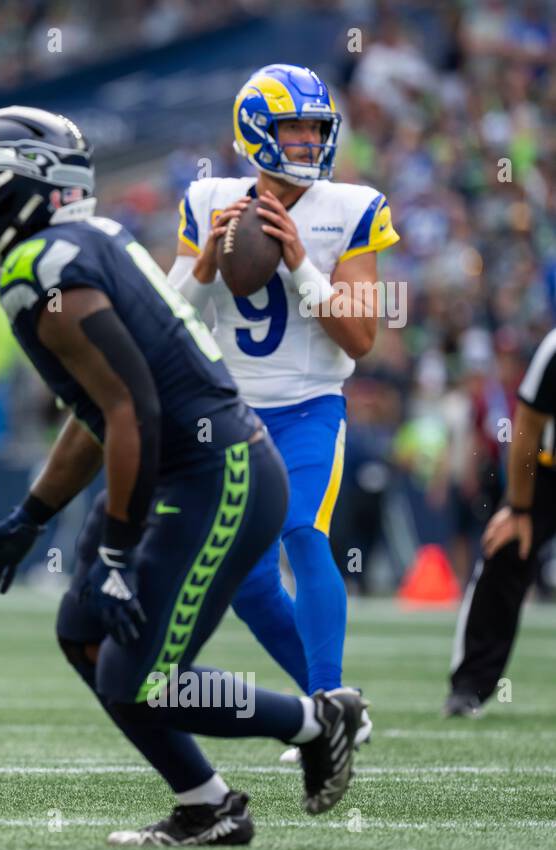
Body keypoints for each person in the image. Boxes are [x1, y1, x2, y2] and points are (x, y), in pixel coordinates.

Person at [0, 105, 368, 845]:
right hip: (186, 470)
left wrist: (113, 551)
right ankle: (207, 804)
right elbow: (100, 409)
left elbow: (131, 407)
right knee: (84, 634)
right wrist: (33, 516)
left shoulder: (49, 272)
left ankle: (318, 719)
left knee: (136, 676)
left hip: (217, 472)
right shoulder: (76, 247)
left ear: (22, 187)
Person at [167, 64, 398, 758]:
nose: (305, 140)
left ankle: (328, 701)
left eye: (315, 127)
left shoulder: (350, 207)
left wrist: (300, 264)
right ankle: (332, 714)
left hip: (308, 408)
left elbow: (361, 334)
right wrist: (205, 261)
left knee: (302, 530)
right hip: (233, 415)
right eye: (292, 126)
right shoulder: (210, 198)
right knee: (246, 574)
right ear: (254, 130)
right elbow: (174, 321)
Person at [447, 327, 556, 717]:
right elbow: (526, 426)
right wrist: (520, 509)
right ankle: (470, 685)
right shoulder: (554, 348)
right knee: (506, 544)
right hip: (549, 467)